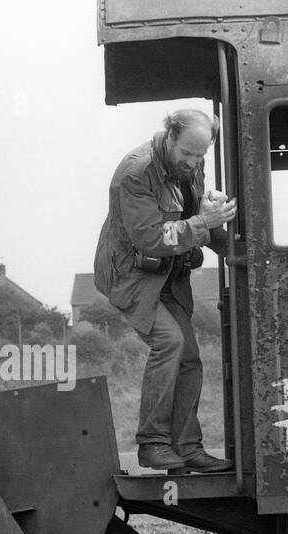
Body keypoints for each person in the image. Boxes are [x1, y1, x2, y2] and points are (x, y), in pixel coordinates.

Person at [94, 110, 237, 472]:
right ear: (170, 136)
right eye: (187, 153)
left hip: (167, 273)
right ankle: (152, 444)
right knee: (169, 342)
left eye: (200, 156)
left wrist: (232, 244)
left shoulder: (190, 166)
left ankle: (187, 448)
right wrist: (204, 222)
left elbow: (193, 214)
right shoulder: (135, 173)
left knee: (189, 357)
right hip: (131, 275)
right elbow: (152, 237)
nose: (192, 162)